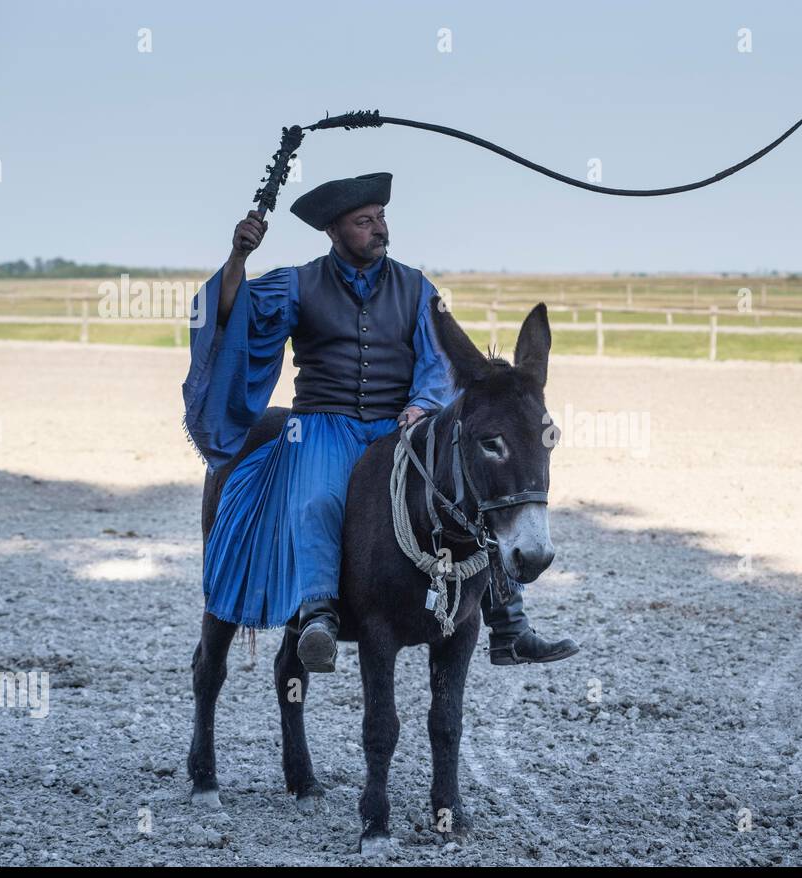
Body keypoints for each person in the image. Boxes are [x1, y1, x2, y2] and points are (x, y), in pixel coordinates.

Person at [182, 171, 579, 672]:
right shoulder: (297, 284)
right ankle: (319, 614)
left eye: (382, 218)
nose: (379, 229)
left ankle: (509, 621)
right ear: (333, 231)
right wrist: (239, 258)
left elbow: (439, 359)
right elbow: (227, 312)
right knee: (320, 498)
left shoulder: (417, 287)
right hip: (323, 427)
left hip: (399, 425)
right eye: (364, 221)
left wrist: (422, 404)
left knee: (469, 489)